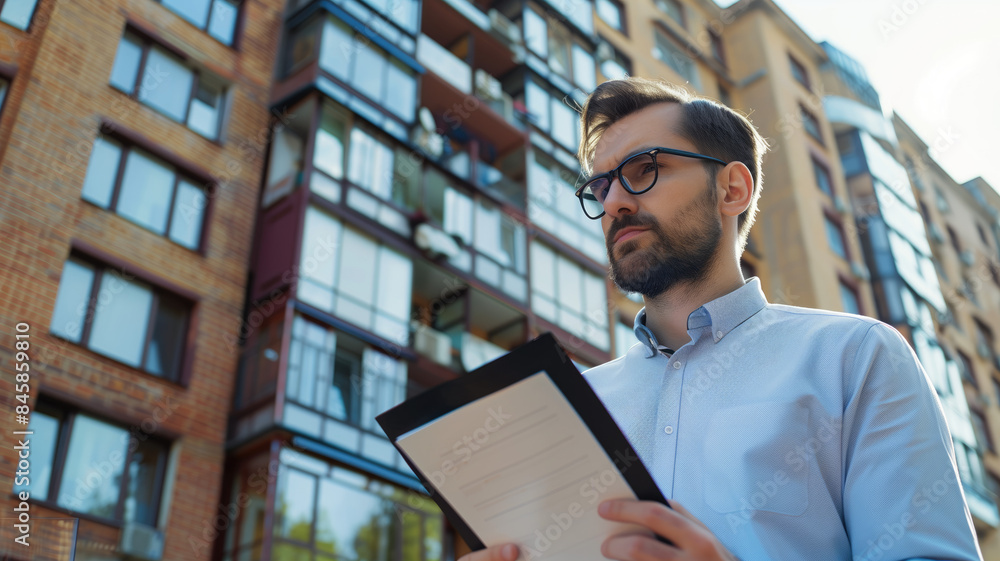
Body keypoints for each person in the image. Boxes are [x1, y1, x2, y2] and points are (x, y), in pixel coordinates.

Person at [458, 77, 982, 560]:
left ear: (732, 189)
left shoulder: (856, 357)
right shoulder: (573, 404)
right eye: (600, 187)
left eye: (644, 170)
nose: (614, 201)